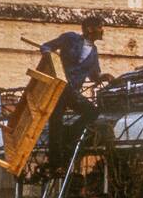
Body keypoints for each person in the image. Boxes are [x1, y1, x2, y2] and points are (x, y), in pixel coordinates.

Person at [41, 19, 112, 170]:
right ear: (89, 29)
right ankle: (54, 162)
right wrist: (50, 59)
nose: (102, 30)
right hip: (59, 87)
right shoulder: (70, 38)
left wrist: (104, 77)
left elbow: (94, 76)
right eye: (100, 27)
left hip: (72, 92)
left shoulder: (93, 52)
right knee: (56, 121)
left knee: (92, 111)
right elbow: (46, 46)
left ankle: (70, 133)